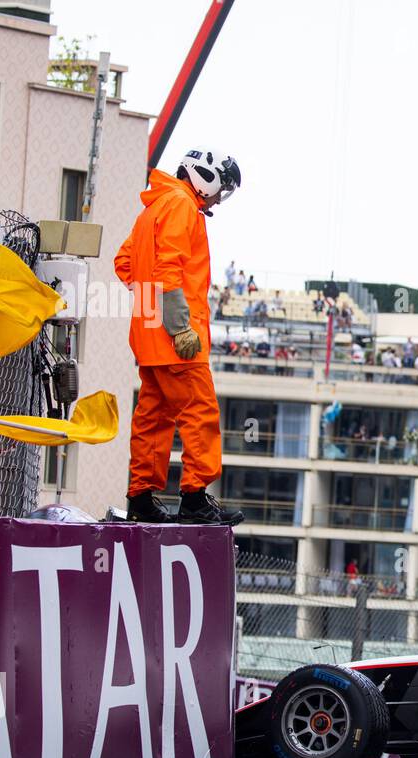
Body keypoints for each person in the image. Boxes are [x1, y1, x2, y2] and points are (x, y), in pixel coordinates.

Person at [115, 146, 244, 525]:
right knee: (199, 412)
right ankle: (194, 499)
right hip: (177, 339)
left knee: (153, 418)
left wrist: (152, 308)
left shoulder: (153, 208)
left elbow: (125, 263)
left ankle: (140, 499)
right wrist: (179, 326)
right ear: (206, 179)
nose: (220, 197)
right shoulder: (182, 205)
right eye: (223, 188)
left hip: (149, 340)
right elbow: (169, 268)